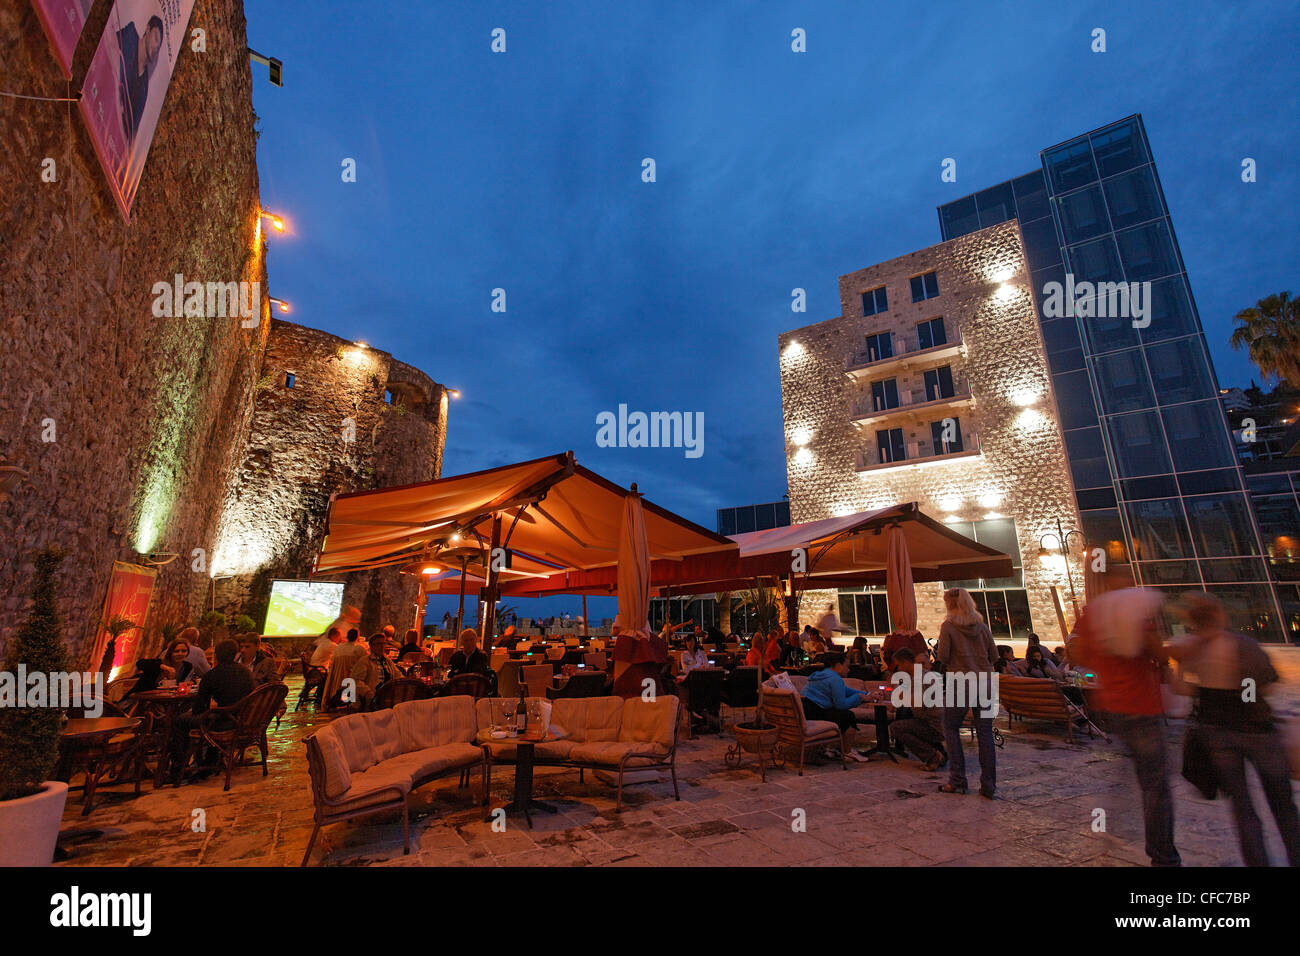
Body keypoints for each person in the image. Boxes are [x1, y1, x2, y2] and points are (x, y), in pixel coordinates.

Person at [1168, 593, 1300, 867]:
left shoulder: (1190, 649)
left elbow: (1182, 690)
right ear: (1219, 615)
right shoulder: (1242, 644)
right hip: (1256, 731)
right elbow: (1264, 684)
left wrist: (1183, 667)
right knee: (1282, 804)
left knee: (1242, 807)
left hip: (1216, 733)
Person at [1069, 585, 1180, 867]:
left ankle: (1112, 822)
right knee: (1155, 785)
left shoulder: (1093, 615)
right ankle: (1164, 855)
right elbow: (1156, 650)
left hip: (1112, 705)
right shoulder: (1134, 610)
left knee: (1131, 773)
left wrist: (1103, 659)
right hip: (1142, 704)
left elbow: (1077, 653)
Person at [935, 587, 998, 798]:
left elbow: (943, 656)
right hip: (985, 682)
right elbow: (994, 654)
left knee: (951, 727)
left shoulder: (949, 626)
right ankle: (989, 784)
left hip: (961, 682)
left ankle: (958, 779)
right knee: (985, 733)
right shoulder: (982, 626)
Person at [166, 640, 255, 783]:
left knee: (179, 721)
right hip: (243, 720)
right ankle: (209, 761)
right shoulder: (246, 673)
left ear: (217, 656)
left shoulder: (212, 675)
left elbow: (199, 708)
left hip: (222, 723)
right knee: (210, 717)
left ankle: (177, 768)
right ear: (235, 654)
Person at [798, 652, 868, 761]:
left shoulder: (821, 675)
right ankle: (847, 751)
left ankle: (832, 748)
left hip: (805, 711)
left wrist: (866, 694)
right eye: (847, 666)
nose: (848, 670)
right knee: (848, 716)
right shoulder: (835, 679)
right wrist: (859, 697)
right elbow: (841, 705)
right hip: (815, 713)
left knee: (836, 713)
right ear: (838, 665)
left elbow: (844, 690)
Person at [888, 646, 947, 771]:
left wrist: (902, 696)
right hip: (930, 721)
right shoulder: (918, 676)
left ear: (905, 662)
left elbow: (919, 703)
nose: (899, 668)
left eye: (899, 664)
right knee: (904, 720)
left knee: (896, 727)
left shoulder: (920, 679)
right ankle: (938, 752)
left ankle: (932, 756)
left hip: (933, 725)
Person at [117, 14, 164, 142]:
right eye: (155, 38)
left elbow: (132, 133)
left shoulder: (144, 86)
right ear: (147, 29)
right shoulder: (129, 36)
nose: (156, 47)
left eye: (158, 47)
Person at [351, 633, 403, 708]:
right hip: (371, 700)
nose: (382, 646)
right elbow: (356, 680)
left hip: (387, 698)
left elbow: (398, 675)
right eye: (379, 644)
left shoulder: (387, 661)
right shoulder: (365, 661)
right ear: (371, 646)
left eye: (384, 643)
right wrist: (368, 693)